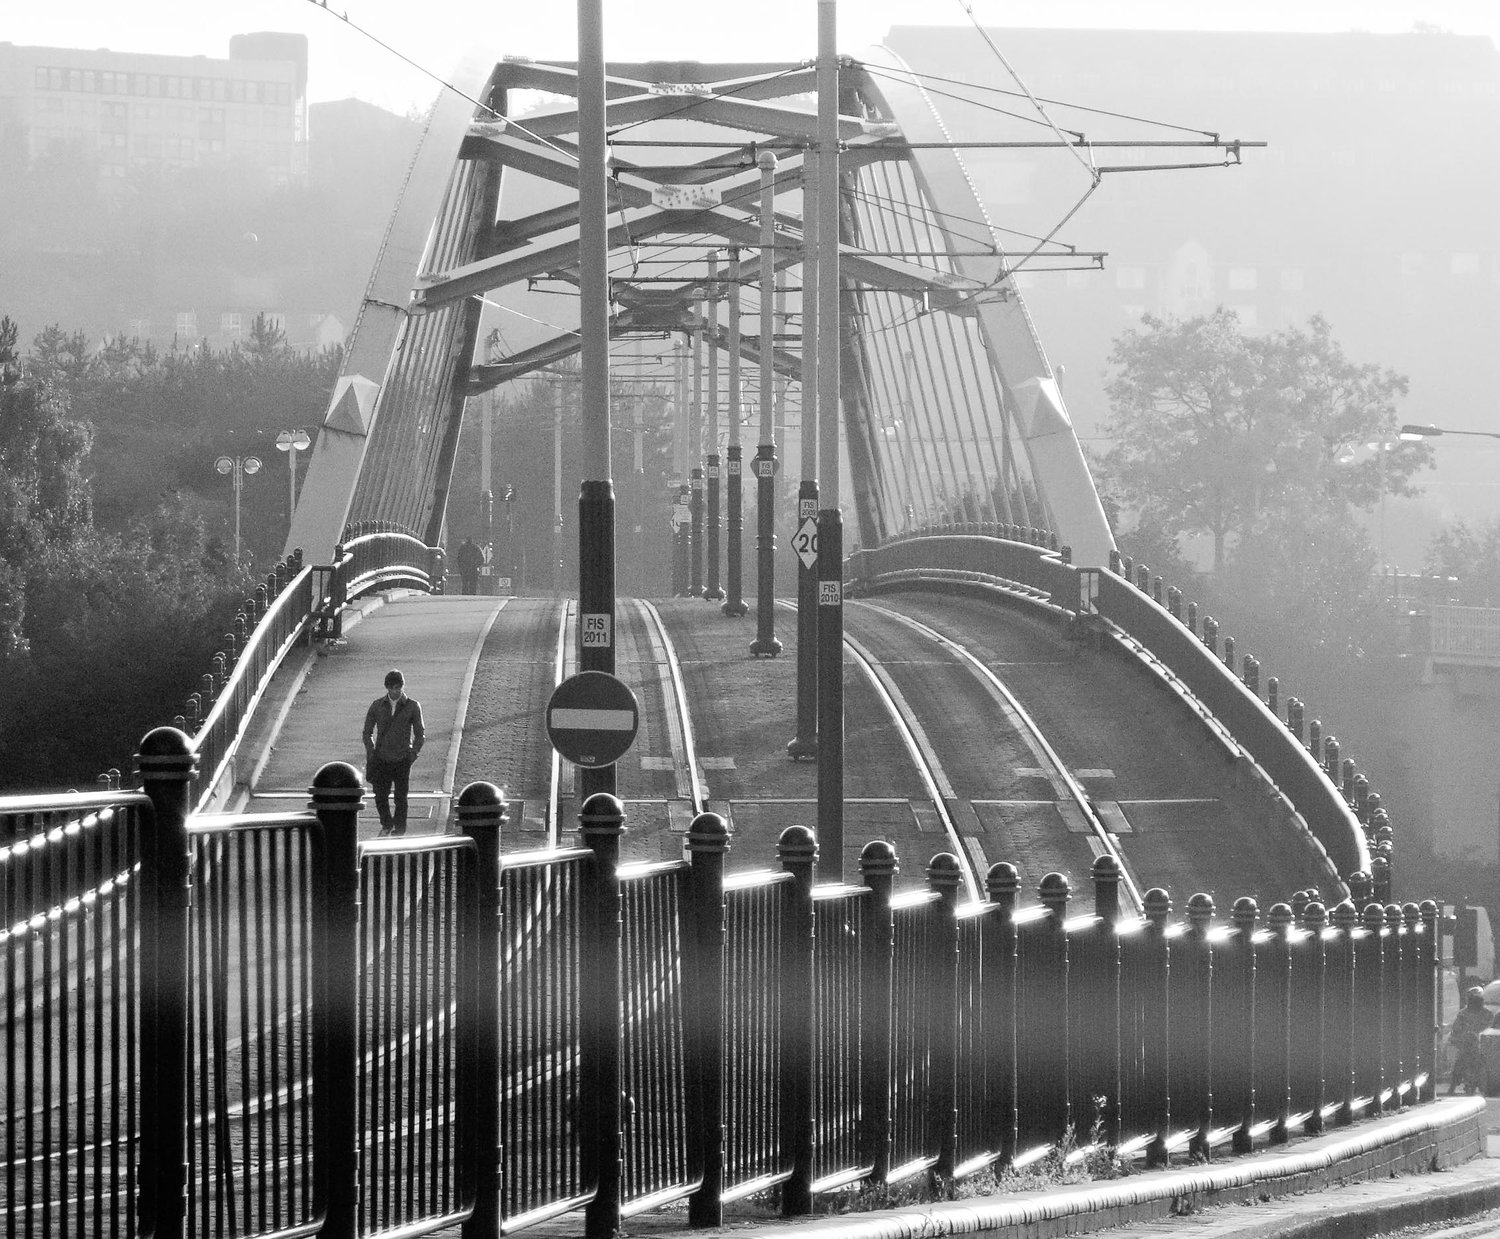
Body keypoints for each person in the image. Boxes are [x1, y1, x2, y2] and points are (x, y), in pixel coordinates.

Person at [362, 669, 424, 836]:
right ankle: (387, 823)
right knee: (380, 795)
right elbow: (367, 732)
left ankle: (400, 828)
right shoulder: (377, 706)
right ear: (387, 688)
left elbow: (420, 733)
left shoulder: (412, 706)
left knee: (400, 797)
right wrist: (371, 752)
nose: (395, 691)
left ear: (403, 687)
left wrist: (412, 754)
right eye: (392, 688)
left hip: (402, 758)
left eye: (398, 688)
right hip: (382, 757)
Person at [1448, 986, 1490, 1095]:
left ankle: (1485, 1085)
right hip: (1466, 1046)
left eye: (1478, 1000)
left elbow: (1491, 1029)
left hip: (1482, 1047)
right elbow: (1456, 1029)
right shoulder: (1463, 1014)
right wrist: (1458, 1038)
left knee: (1486, 1065)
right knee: (1459, 1063)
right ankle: (1452, 1087)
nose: (1475, 1003)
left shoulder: (1488, 1014)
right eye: (1472, 1000)